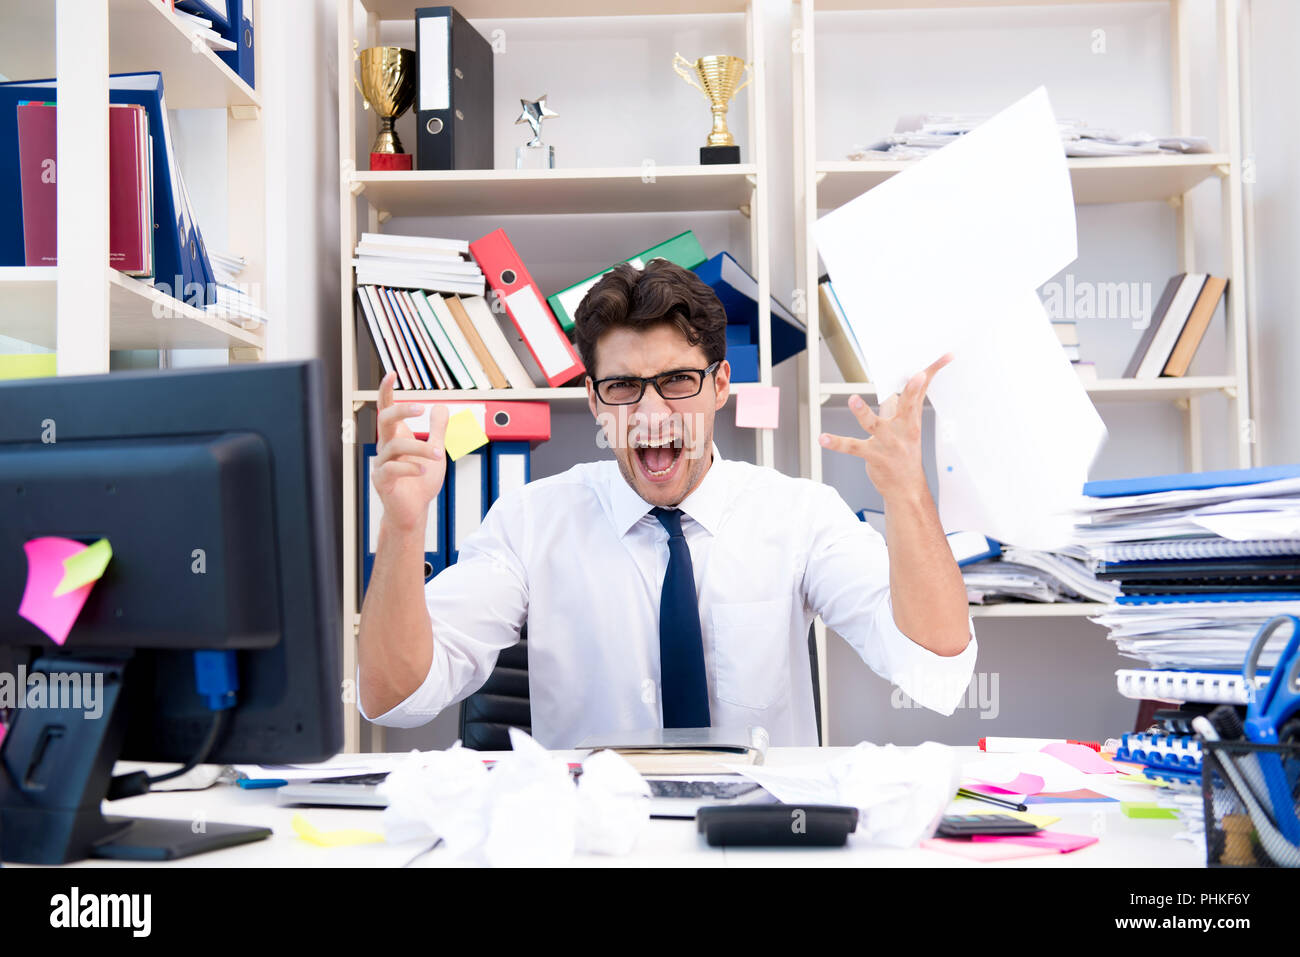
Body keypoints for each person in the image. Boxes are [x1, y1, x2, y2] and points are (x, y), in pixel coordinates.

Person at [357, 260, 975, 747]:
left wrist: (907, 493)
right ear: (596, 403)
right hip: (593, 850)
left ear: (721, 386)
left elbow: (935, 663)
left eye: (678, 380)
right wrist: (403, 529)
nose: (652, 415)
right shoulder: (530, 522)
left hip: (754, 840)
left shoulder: (800, 516)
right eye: (623, 386)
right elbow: (396, 698)